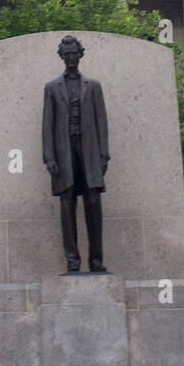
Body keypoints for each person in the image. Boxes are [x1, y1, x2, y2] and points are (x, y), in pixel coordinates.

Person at [42, 35, 110, 273]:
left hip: (89, 150)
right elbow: (47, 124)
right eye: (66, 54)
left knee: (93, 200)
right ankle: (72, 261)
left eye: (74, 53)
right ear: (61, 56)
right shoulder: (52, 87)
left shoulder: (94, 86)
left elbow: (102, 123)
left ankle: (96, 261)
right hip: (64, 151)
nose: (70, 58)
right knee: (67, 201)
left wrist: (104, 156)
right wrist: (48, 157)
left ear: (80, 55)